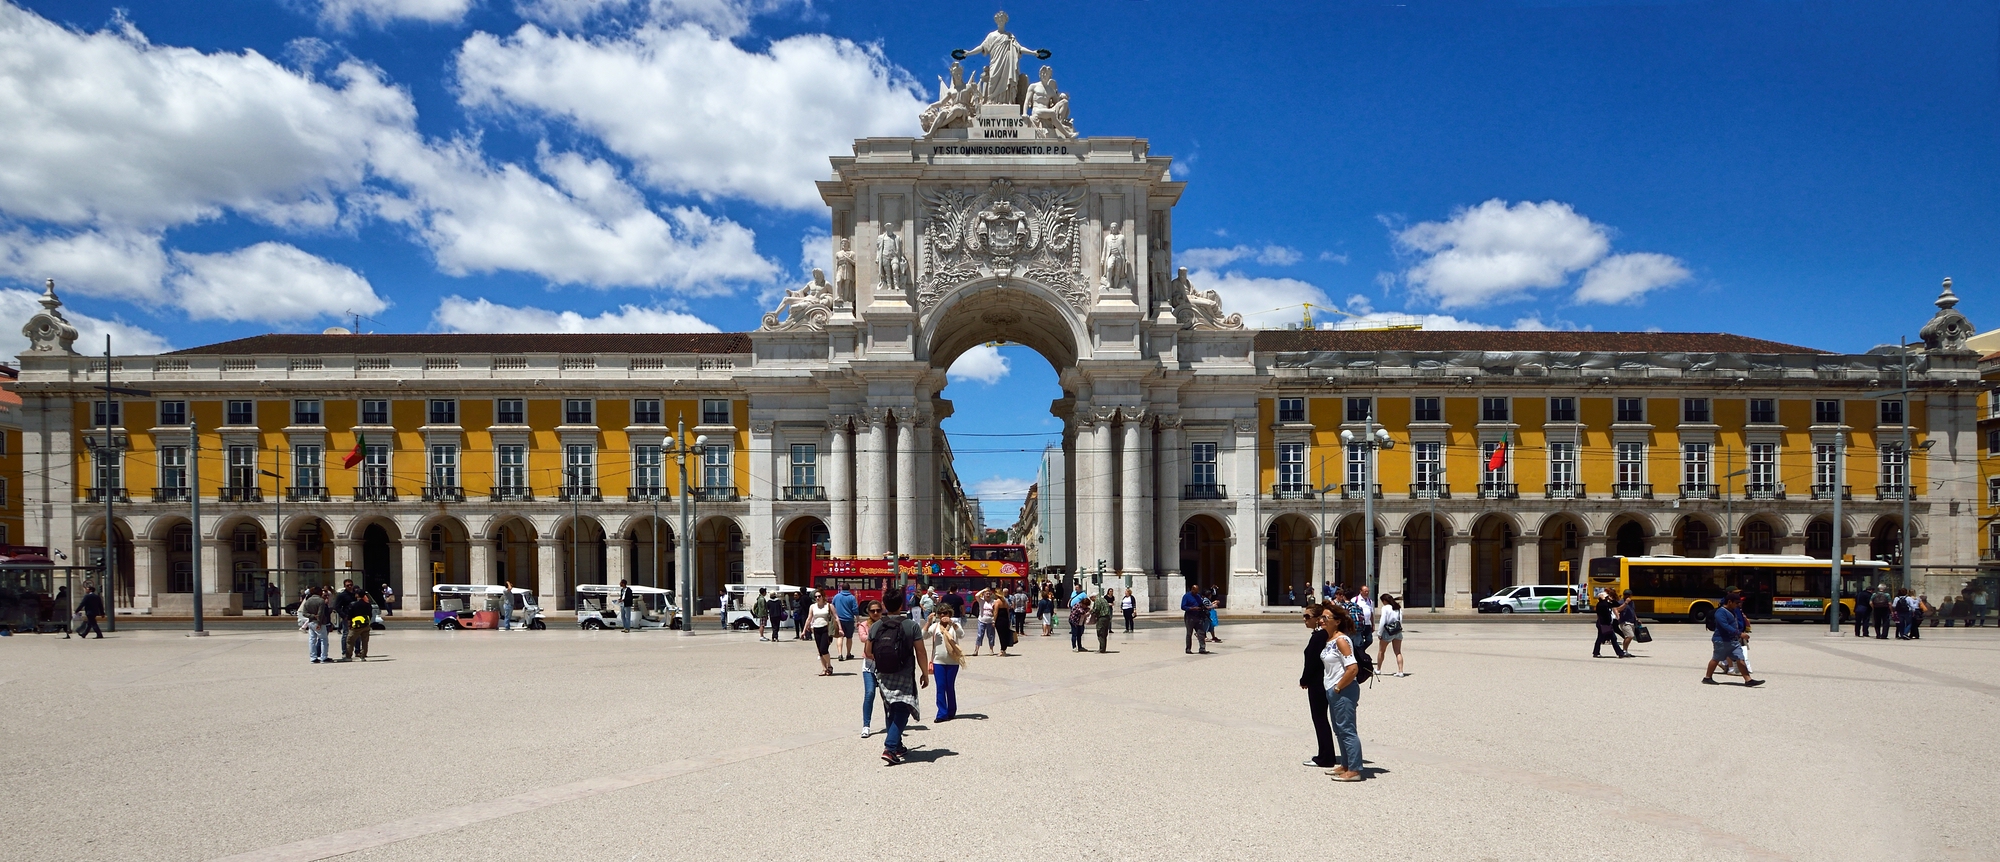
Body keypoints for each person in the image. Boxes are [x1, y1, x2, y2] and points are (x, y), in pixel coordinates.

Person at [866, 590, 929, 764]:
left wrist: (884, 660)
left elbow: (867, 651)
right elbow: (921, 651)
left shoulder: (877, 625)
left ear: (884, 605)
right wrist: (925, 673)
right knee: (902, 708)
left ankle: (898, 744)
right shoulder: (911, 625)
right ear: (901, 605)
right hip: (904, 673)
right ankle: (890, 747)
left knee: (891, 708)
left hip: (883, 674)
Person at [1320, 603, 1365, 782]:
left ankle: (1355, 769)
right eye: (1321, 617)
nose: (1321, 620)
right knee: (1339, 729)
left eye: (1326, 618)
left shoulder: (1341, 640)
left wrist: (1338, 687)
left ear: (1337, 622)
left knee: (1347, 730)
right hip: (1333, 689)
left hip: (1344, 689)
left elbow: (1352, 668)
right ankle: (1346, 764)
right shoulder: (1329, 639)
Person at [1298, 604, 1337, 768]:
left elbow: (1312, 662)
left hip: (1318, 682)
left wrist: (1304, 680)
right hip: (1326, 680)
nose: (1304, 619)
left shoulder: (1318, 637)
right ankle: (1327, 754)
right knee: (1325, 720)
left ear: (1317, 618)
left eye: (1308, 616)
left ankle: (1325, 757)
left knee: (1320, 719)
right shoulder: (1326, 635)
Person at [1703, 593, 1763, 686]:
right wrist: (1739, 633)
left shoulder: (1733, 611)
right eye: (1736, 602)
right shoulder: (1720, 612)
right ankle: (1707, 677)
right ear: (1729, 602)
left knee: (1740, 658)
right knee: (1716, 659)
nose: (1738, 604)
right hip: (1721, 640)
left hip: (1733, 640)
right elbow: (1725, 626)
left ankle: (1748, 680)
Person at [926, 605, 964, 722]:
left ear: (950, 614)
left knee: (949, 687)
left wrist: (952, 623)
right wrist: (928, 622)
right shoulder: (935, 626)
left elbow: (961, 634)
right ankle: (942, 713)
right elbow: (923, 635)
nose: (943, 616)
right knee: (941, 687)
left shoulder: (954, 625)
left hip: (952, 661)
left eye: (945, 613)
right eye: (941, 613)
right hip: (938, 661)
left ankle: (951, 711)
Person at [858, 601, 886, 738]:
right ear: (868, 612)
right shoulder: (863, 625)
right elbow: (863, 638)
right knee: (869, 694)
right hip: (869, 665)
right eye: (872, 611)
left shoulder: (886, 623)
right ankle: (866, 725)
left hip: (884, 665)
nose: (875, 613)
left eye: (878, 610)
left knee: (887, 696)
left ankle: (891, 724)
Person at [1375, 594, 1406, 677]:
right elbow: (1400, 620)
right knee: (1398, 652)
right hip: (1397, 630)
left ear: (1384, 601)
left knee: (1381, 651)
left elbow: (1383, 621)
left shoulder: (1385, 608)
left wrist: (1379, 632)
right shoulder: (1398, 607)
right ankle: (1400, 671)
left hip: (1387, 631)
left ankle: (1378, 669)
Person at [1593, 589, 1631, 658]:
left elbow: (1616, 604)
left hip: (1606, 624)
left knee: (1601, 638)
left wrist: (1610, 599)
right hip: (1603, 624)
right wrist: (1604, 599)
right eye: (1606, 597)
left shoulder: (1606, 603)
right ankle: (1620, 653)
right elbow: (1604, 605)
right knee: (1613, 638)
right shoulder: (1600, 604)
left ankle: (1596, 652)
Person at [808, 591, 837, 676]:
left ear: (823, 596)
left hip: (826, 629)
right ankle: (824, 668)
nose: (817, 598)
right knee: (820, 651)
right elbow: (809, 618)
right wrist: (804, 630)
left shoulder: (829, 606)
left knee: (824, 649)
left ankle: (830, 666)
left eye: (819, 596)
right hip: (816, 629)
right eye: (816, 596)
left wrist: (840, 628)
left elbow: (836, 616)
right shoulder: (812, 606)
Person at [301, 588, 330, 663]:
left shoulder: (308, 601)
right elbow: (320, 613)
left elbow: (304, 613)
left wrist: (312, 616)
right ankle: (324, 657)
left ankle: (313, 657)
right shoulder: (321, 601)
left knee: (312, 640)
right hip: (319, 622)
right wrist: (319, 622)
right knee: (324, 639)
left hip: (311, 622)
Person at [1181, 583, 1210, 654]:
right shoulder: (1186, 596)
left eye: (1197, 591)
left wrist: (1204, 607)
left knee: (1201, 632)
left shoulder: (1198, 596)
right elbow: (1183, 606)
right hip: (1190, 616)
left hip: (1198, 616)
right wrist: (1192, 608)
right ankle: (1188, 649)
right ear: (1192, 589)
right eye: (1195, 591)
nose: (1196, 593)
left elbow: (1201, 604)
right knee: (1189, 633)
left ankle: (1202, 648)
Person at [347, 591, 374, 661]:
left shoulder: (353, 604)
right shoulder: (368, 605)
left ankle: (348, 656)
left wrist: (349, 624)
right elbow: (370, 615)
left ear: (357, 595)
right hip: (365, 624)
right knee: (365, 641)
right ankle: (363, 656)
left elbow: (349, 615)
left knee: (350, 640)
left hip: (356, 625)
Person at [833, 586, 859, 659]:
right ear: (849, 588)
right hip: (849, 620)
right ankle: (848, 654)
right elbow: (855, 609)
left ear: (841, 588)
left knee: (840, 637)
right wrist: (858, 620)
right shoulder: (852, 597)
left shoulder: (836, 596)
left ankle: (840, 654)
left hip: (839, 620)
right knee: (849, 637)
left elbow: (832, 606)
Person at [972, 588, 998, 657]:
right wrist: (983, 590)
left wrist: (994, 620)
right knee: (980, 635)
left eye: (989, 593)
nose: (988, 595)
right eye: (987, 593)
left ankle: (991, 649)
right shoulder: (981, 601)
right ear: (984, 594)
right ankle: (976, 650)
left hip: (990, 620)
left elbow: (995, 612)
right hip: (981, 620)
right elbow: (976, 595)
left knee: (991, 635)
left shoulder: (993, 601)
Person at [1092, 588, 1114, 653]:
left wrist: (1091, 612)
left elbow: (1097, 609)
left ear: (1093, 597)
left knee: (1100, 633)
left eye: (1091, 599)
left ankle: (1101, 649)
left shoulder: (1097, 600)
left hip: (1102, 618)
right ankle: (1103, 648)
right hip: (1107, 618)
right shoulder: (1104, 599)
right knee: (1104, 634)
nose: (1092, 601)